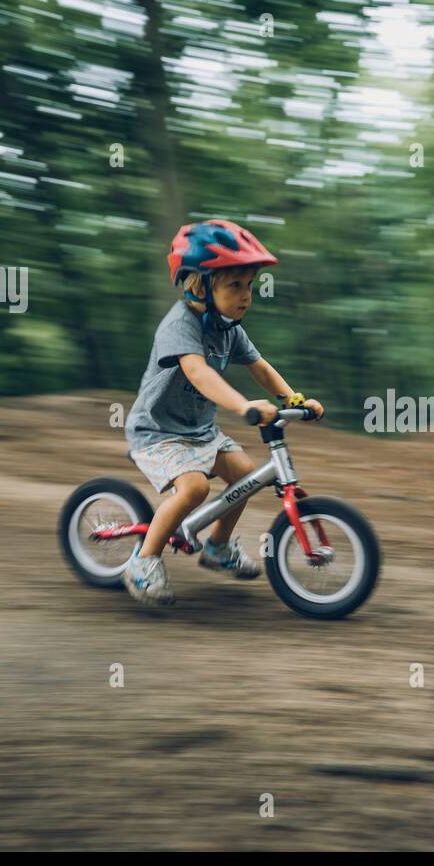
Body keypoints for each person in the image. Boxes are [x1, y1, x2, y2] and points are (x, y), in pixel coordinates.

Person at [121, 219, 323, 607]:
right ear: (200, 283)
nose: (246, 295)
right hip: (158, 431)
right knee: (195, 488)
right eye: (235, 285)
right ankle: (142, 562)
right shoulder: (179, 325)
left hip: (199, 429)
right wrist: (244, 406)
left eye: (249, 286)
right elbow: (197, 373)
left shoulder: (229, 327)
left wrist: (294, 400)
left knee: (246, 476)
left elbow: (260, 367)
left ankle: (216, 547)